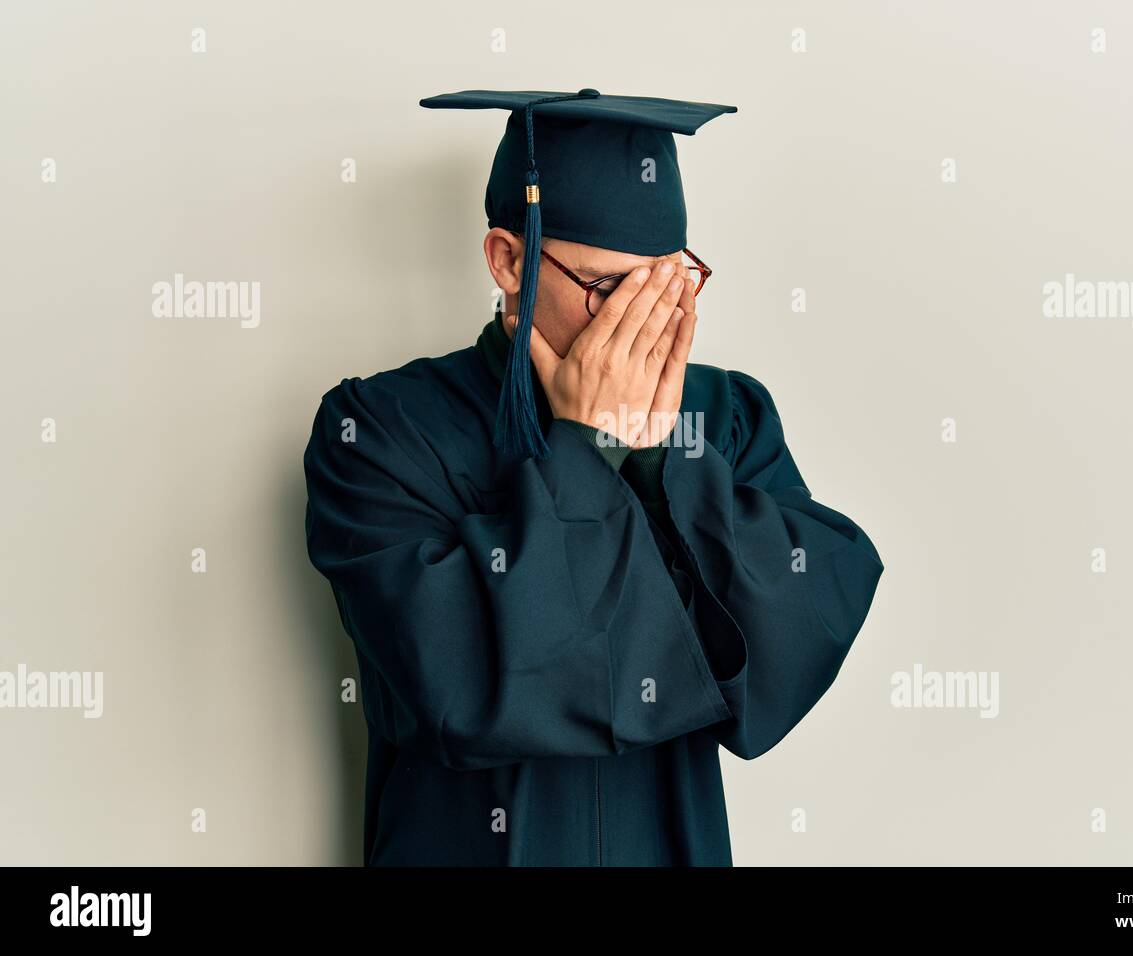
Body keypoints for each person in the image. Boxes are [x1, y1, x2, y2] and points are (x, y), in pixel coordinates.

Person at [301, 88, 885, 866]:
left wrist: (653, 458)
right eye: (611, 291)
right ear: (509, 260)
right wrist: (587, 449)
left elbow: (782, 652)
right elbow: (455, 687)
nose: (644, 326)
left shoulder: (723, 413)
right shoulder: (381, 429)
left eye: (668, 287)